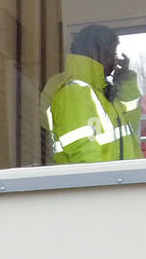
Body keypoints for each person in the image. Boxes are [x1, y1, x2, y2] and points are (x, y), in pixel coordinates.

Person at [41, 24, 142, 164]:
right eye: (111, 53)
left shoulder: (100, 92)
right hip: (109, 184)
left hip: (122, 182)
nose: (114, 60)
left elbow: (132, 122)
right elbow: (84, 156)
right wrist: (109, 185)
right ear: (96, 52)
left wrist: (126, 80)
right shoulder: (75, 92)